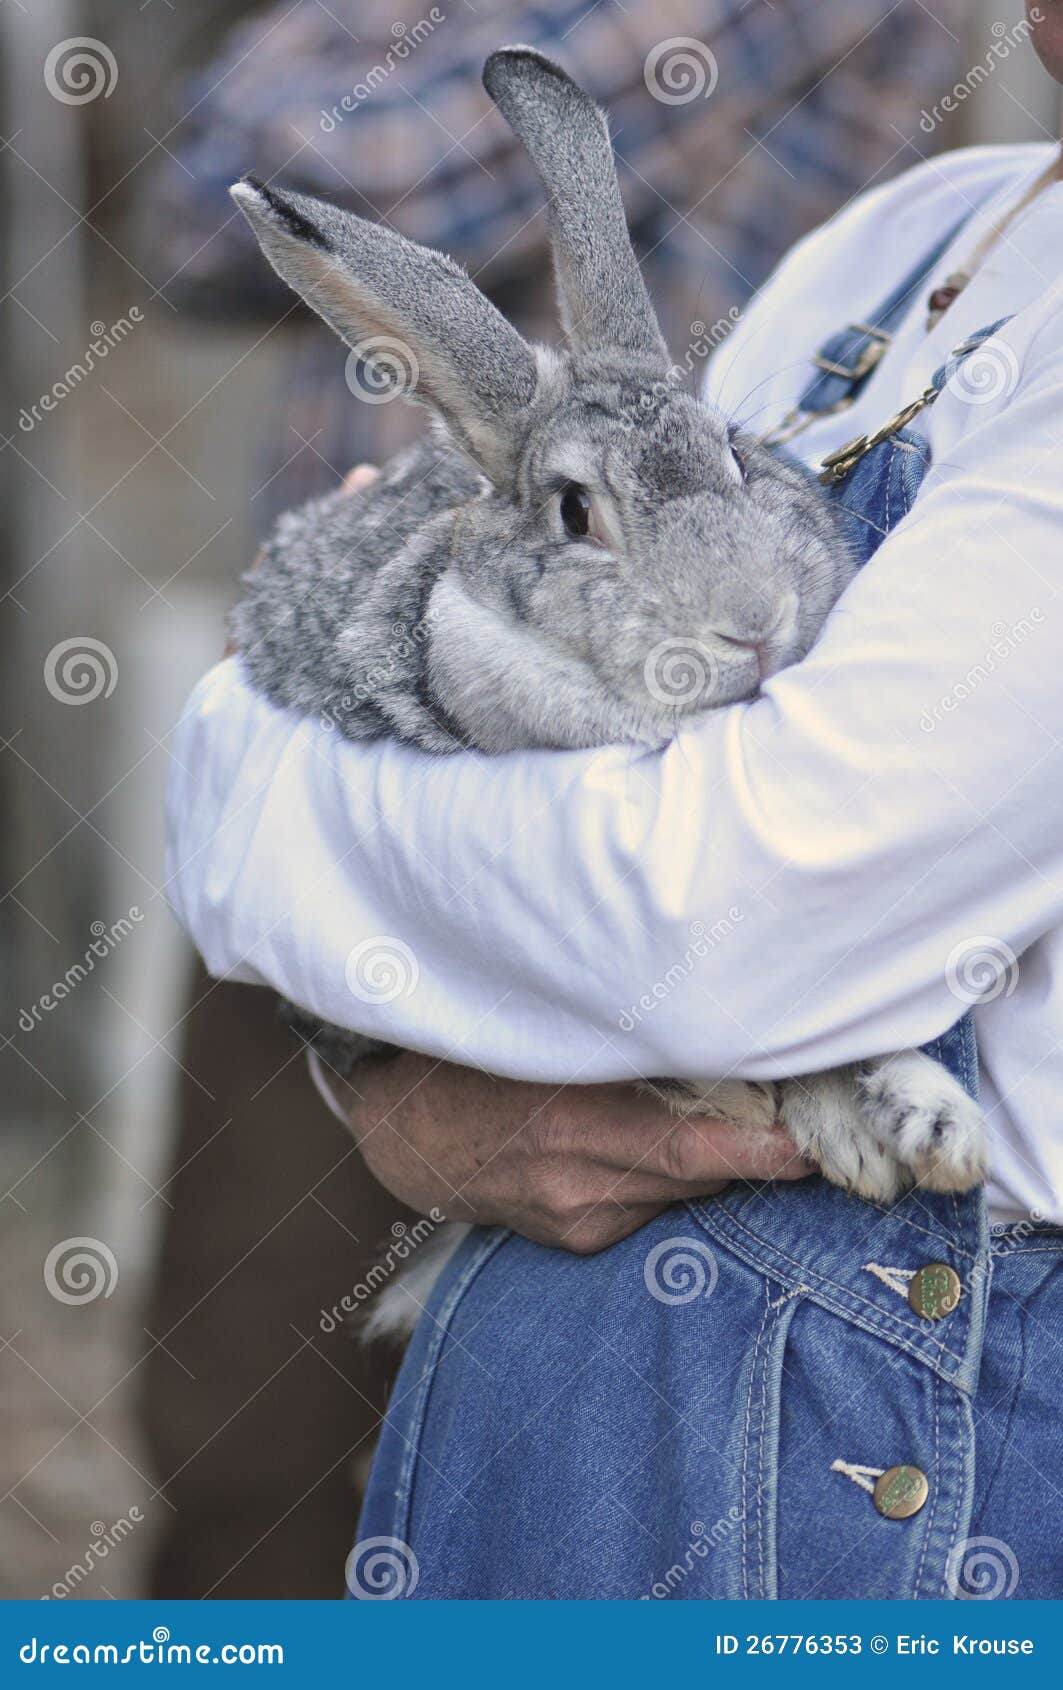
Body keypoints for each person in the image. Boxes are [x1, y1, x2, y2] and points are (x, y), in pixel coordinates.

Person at [166, 6, 1063, 1598]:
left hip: (870, 1428)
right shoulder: (910, 236)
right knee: (227, 1447)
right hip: (573, 1399)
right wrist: (407, 1064)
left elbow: (715, 913)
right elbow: (198, 195)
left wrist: (258, 778)